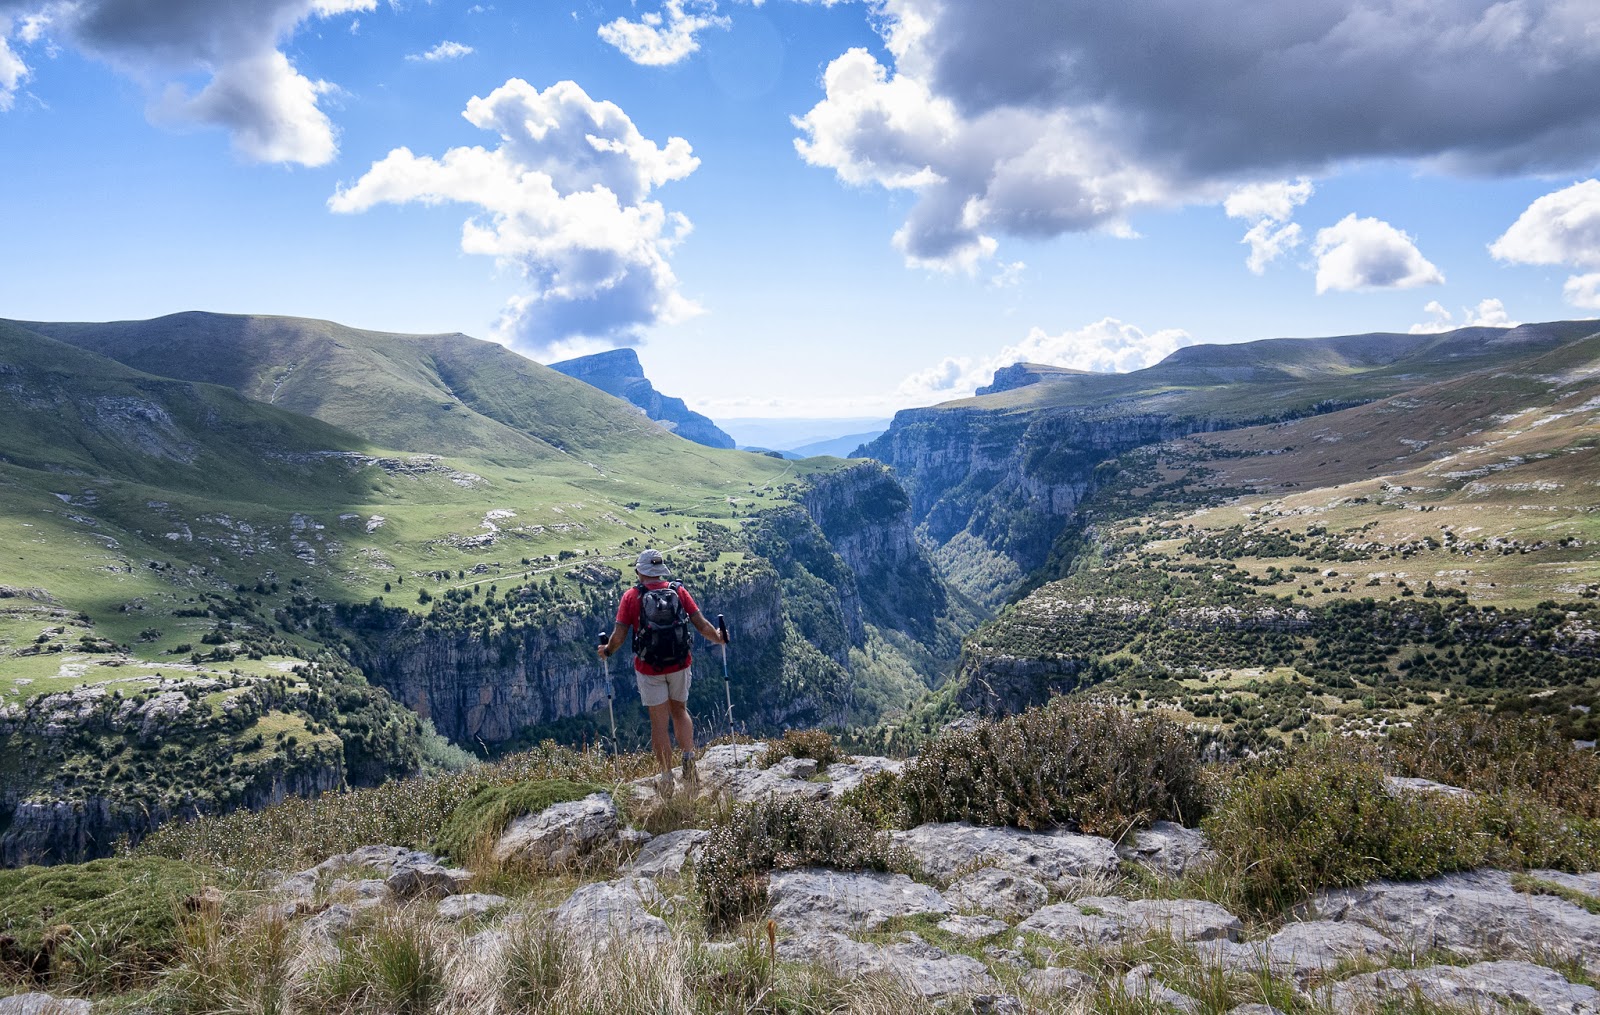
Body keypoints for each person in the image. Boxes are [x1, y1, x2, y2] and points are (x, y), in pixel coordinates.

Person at [598, 548, 725, 796]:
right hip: (680, 663)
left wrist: (607, 651)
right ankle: (689, 762)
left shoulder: (631, 597)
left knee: (659, 723)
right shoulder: (679, 591)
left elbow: (619, 637)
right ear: (660, 571)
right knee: (680, 710)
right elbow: (700, 624)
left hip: (650, 669)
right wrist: (718, 638)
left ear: (640, 572)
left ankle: (667, 778)